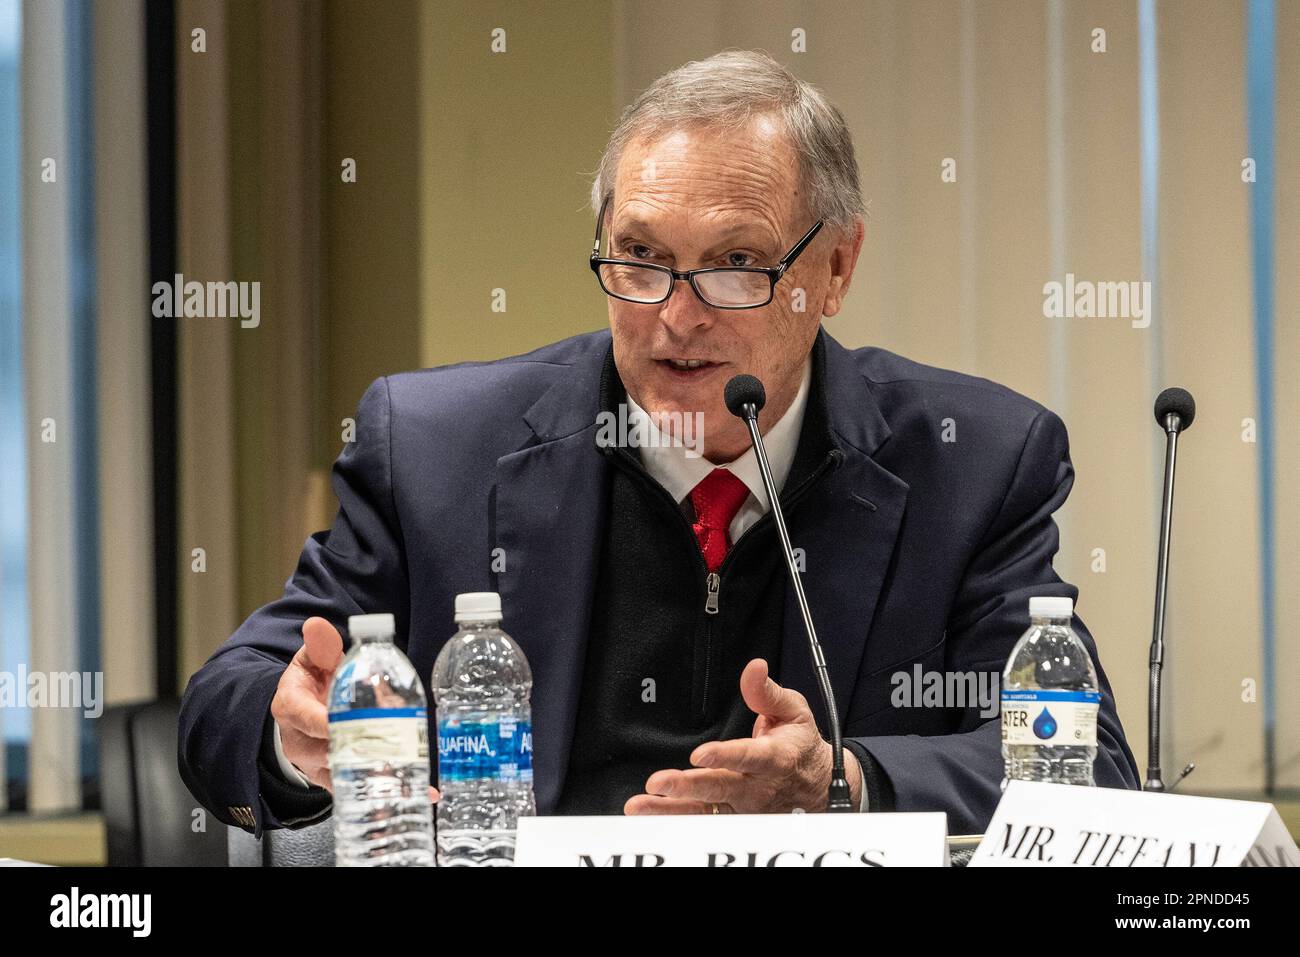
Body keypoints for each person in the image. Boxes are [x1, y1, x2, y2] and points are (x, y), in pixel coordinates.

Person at [178, 50, 1139, 839]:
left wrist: (845, 779)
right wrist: (285, 731)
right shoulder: (436, 451)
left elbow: (1088, 766)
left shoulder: (970, 463)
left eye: (734, 265)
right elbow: (226, 699)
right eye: (639, 257)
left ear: (835, 266)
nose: (676, 318)